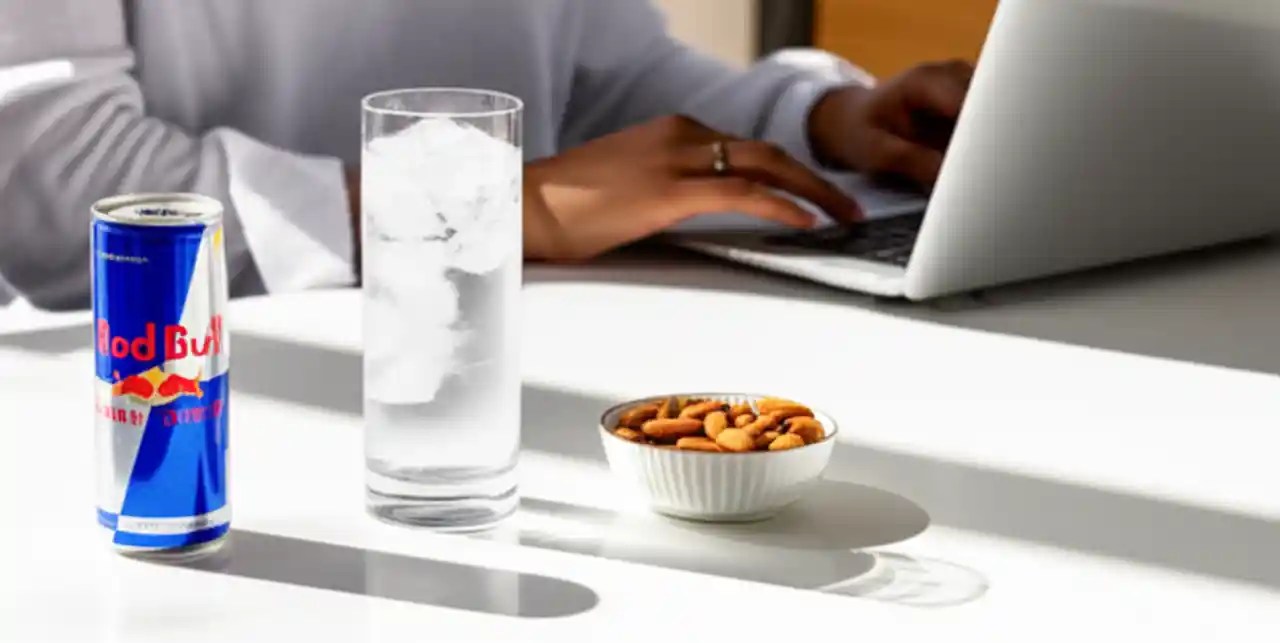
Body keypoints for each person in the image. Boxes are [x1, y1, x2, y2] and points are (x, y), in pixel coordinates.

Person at [0, 0, 972, 309]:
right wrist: (491, 203)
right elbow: (57, 195)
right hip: (195, 418)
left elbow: (602, 75)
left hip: (518, 360)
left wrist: (817, 119)